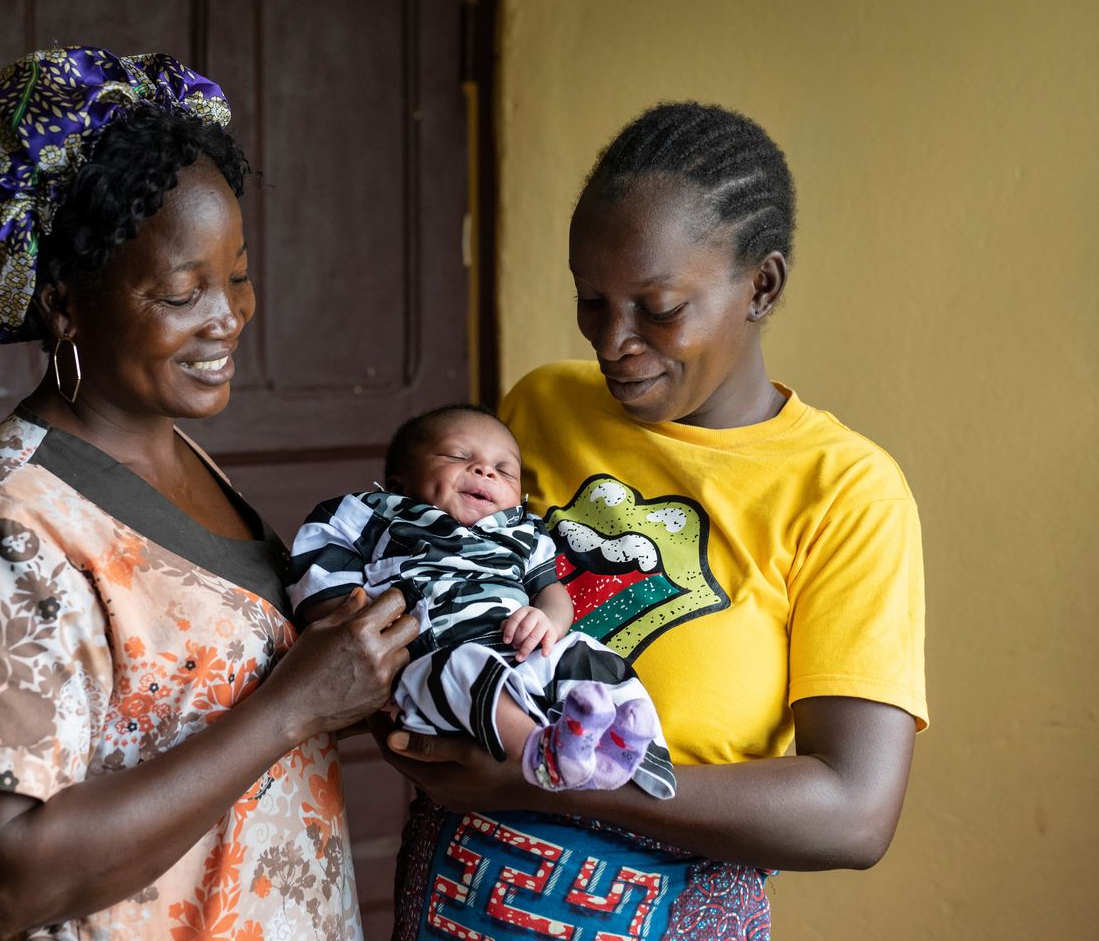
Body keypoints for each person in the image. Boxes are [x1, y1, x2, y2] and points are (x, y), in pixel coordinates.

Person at [0, 46, 417, 941]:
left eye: (240, 273)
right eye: (183, 292)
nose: (229, 317)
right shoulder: (2, 536)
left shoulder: (173, 452)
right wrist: (293, 705)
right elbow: (3, 884)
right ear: (64, 304)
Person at [382, 102, 928, 939]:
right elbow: (450, 576)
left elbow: (853, 811)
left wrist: (544, 776)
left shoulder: (845, 491)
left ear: (763, 285)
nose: (613, 342)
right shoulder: (540, 405)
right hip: (458, 891)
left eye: (659, 307)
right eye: (590, 302)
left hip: (663, 910)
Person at [287, 405, 675, 798]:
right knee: (465, 666)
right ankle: (541, 753)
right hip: (433, 662)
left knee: (587, 651)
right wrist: (366, 653)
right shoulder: (377, 514)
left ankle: (626, 756)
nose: (486, 471)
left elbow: (551, 591)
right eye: (459, 456)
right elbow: (322, 572)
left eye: (504, 470)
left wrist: (548, 622)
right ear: (399, 483)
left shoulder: (523, 531)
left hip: (519, 650)